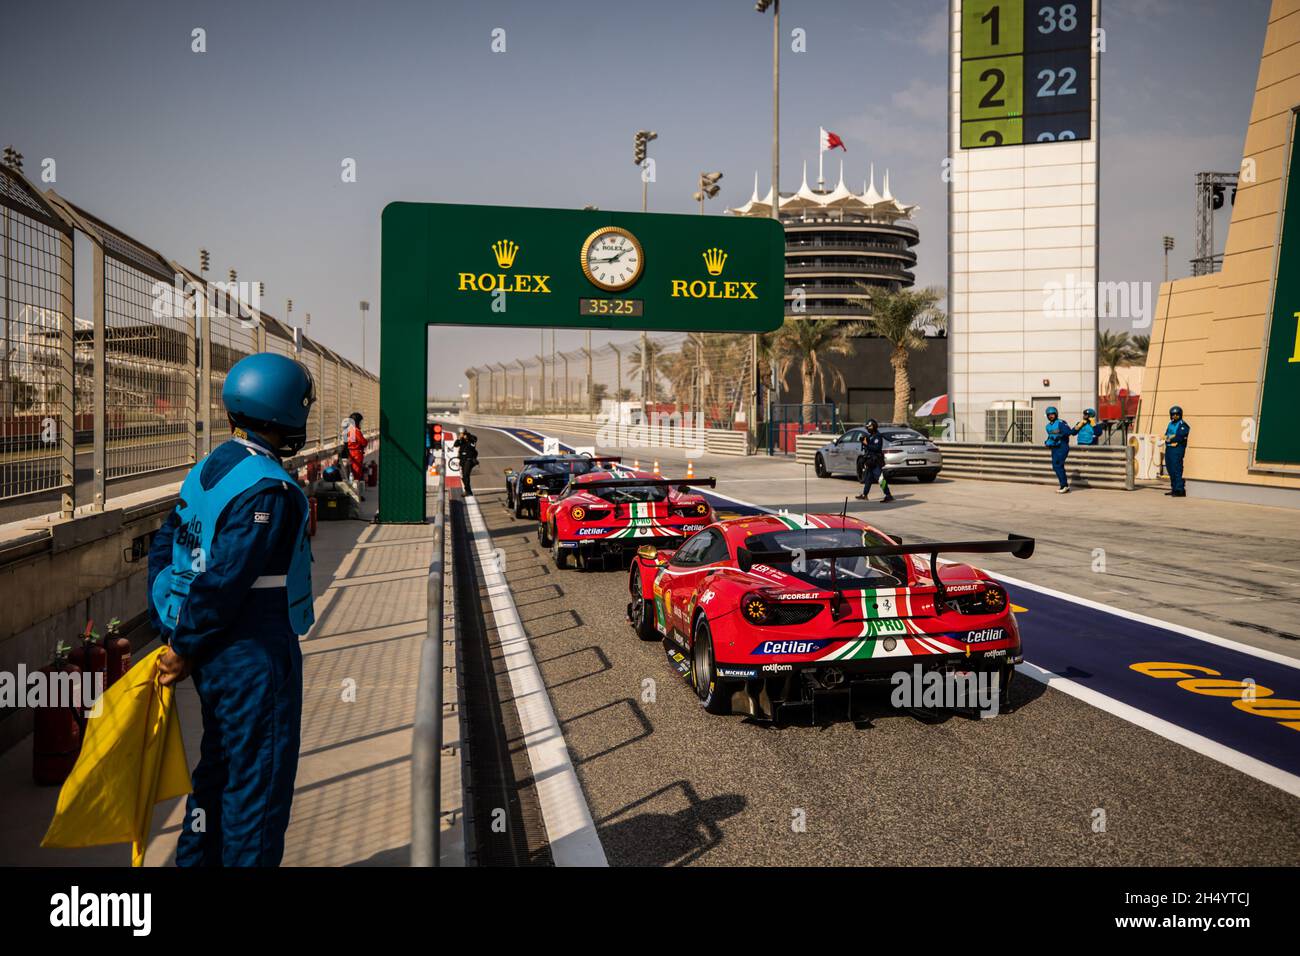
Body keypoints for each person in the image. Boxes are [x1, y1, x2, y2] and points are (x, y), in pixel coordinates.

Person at [148, 352, 316, 867]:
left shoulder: (210, 468)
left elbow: (166, 549)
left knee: (217, 772)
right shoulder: (268, 486)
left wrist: (173, 631)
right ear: (289, 413)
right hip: (254, 654)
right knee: (257, 792)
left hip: (213, 656)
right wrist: (184, 645)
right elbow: (226, 580)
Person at [854, 419, 893, 503]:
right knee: (868, 478)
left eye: (870, 427)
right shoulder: (871, 436)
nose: (868, 428)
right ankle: (865, 495)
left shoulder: (877, 436)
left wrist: (866, 444)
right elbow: (868, 447)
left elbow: (876, 448)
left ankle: (888, 495)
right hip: (870, 461)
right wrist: (864, 441)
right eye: (867, 427)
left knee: (880, 479)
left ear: (874, 426)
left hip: (875, 461)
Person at [1163, 405, 1191, 497]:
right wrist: (1164, 439)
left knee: (1177, 469)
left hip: (1177, 449)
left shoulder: (1183, 424)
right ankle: (1174, 488)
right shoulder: (1170, 424)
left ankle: (1180, 490)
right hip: (1169, 449)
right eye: (1173, 415)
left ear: (1180, 415)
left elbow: (1179, 437)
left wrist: (1169, 439)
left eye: (1176, 415)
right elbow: (1167, 434)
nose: (1175, 416)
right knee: (1170, 468)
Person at [1043, 406, 1072, 493]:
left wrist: (1060, 436)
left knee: (1058, 465)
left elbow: (1068, 432)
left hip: (1062, 447)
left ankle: (1064, 485)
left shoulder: (1061, 423)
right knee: (1056, 467)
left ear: (1056, 414)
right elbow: (1050, 436)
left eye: (1052, 414)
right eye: (1049, 415)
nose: (1051, 416)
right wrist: (1047, 442)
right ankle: (1064, 485)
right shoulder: (1047, 426)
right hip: (1054, 448)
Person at [345, 411, 366, 498]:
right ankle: (357, 495)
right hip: (356, 454)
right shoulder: (355, 431)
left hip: (351, 453)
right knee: (357, 475)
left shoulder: (349, 430)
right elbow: (363, 442)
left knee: (353, 474)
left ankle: (356, 494)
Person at [453, 428, 479, 496]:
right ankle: (468, 490)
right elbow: (455, 445)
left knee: (466, 475)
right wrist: (459, 439)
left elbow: (474, 442)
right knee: (463, 476)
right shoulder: (461, 440)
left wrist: (468, 437)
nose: (461, 435)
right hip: (462, 460)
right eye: (460, 434)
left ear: (465, 433)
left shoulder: (471, 438)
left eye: (462, 433)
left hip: (469, 460)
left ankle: (467, 491)